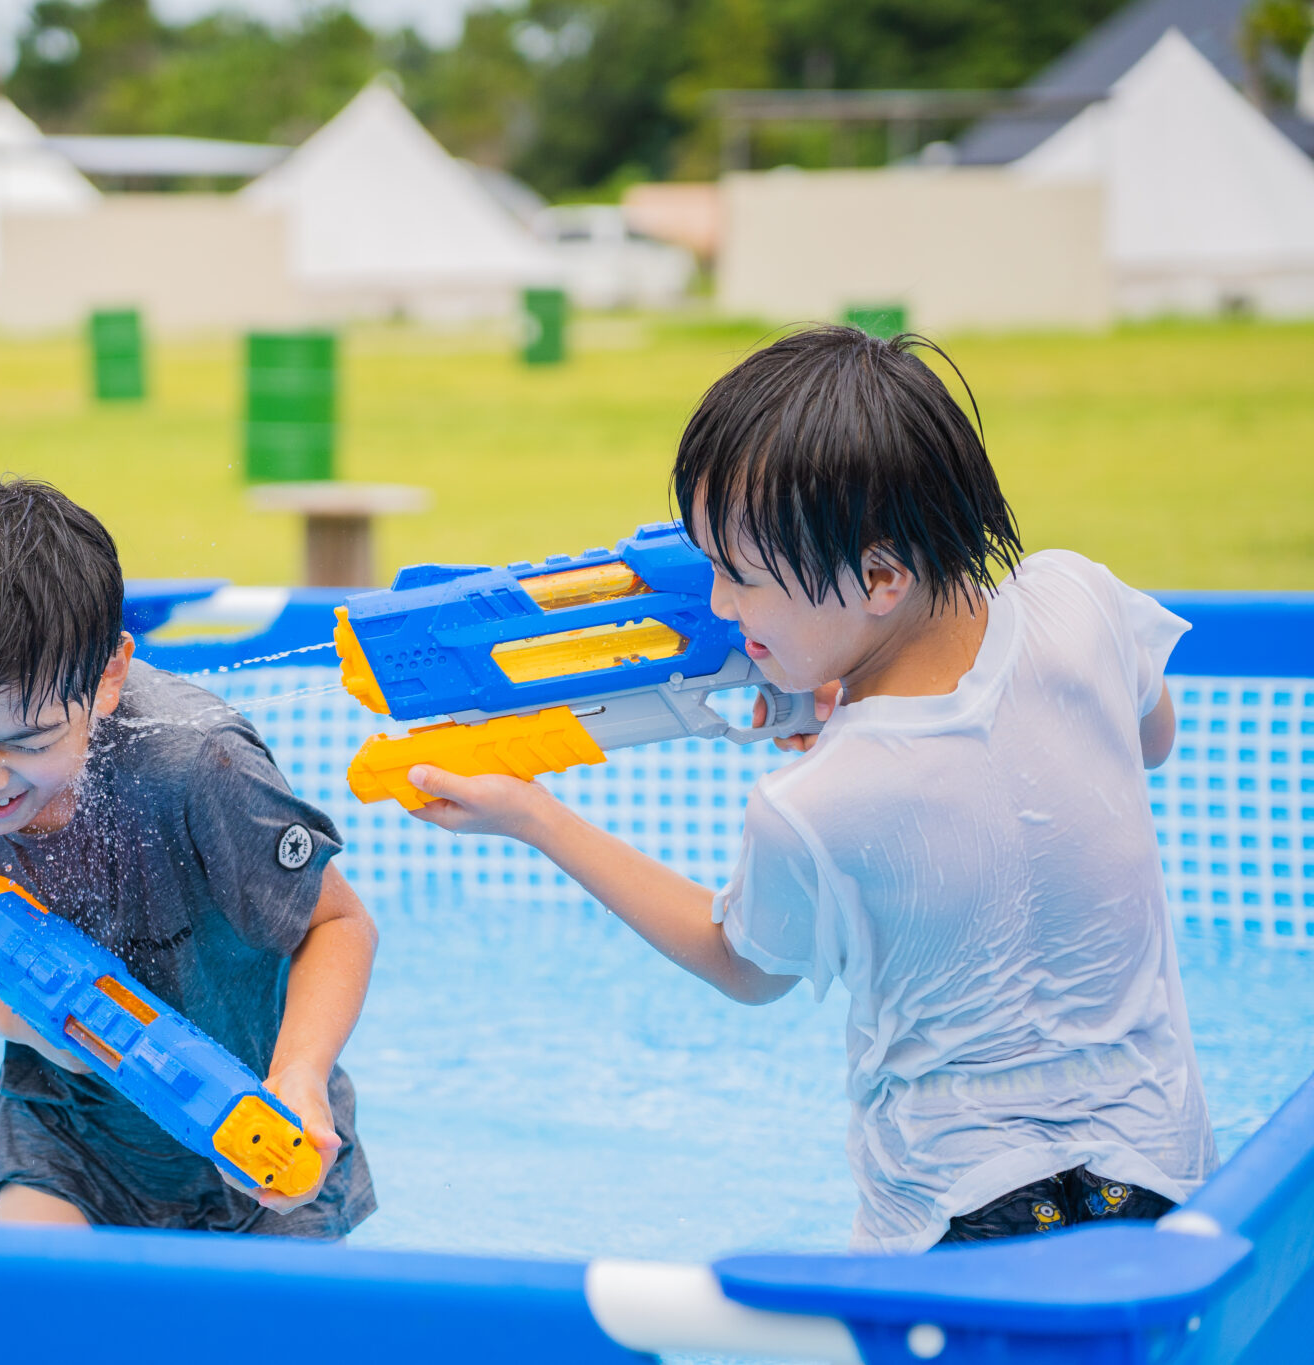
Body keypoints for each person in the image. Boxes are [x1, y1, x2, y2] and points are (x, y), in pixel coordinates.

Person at [404, 326, 1214, 1252]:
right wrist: (864, 694)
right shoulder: (1080, 599)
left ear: (879, 576)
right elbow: (1148, 738)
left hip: (959, 1215)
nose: (716, 605)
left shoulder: (817, 801)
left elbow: (744, 966)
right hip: (1164, 1177)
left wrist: (535, 815)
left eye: (739, 577)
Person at [0, 477, 379, 1236]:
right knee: (39, 1322)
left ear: (108, 676)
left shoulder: (194, 765)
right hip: (62, 1141)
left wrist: (300, 1072)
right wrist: (27, 1018)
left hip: (259, 1133)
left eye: (25, 742)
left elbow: (341, 924)